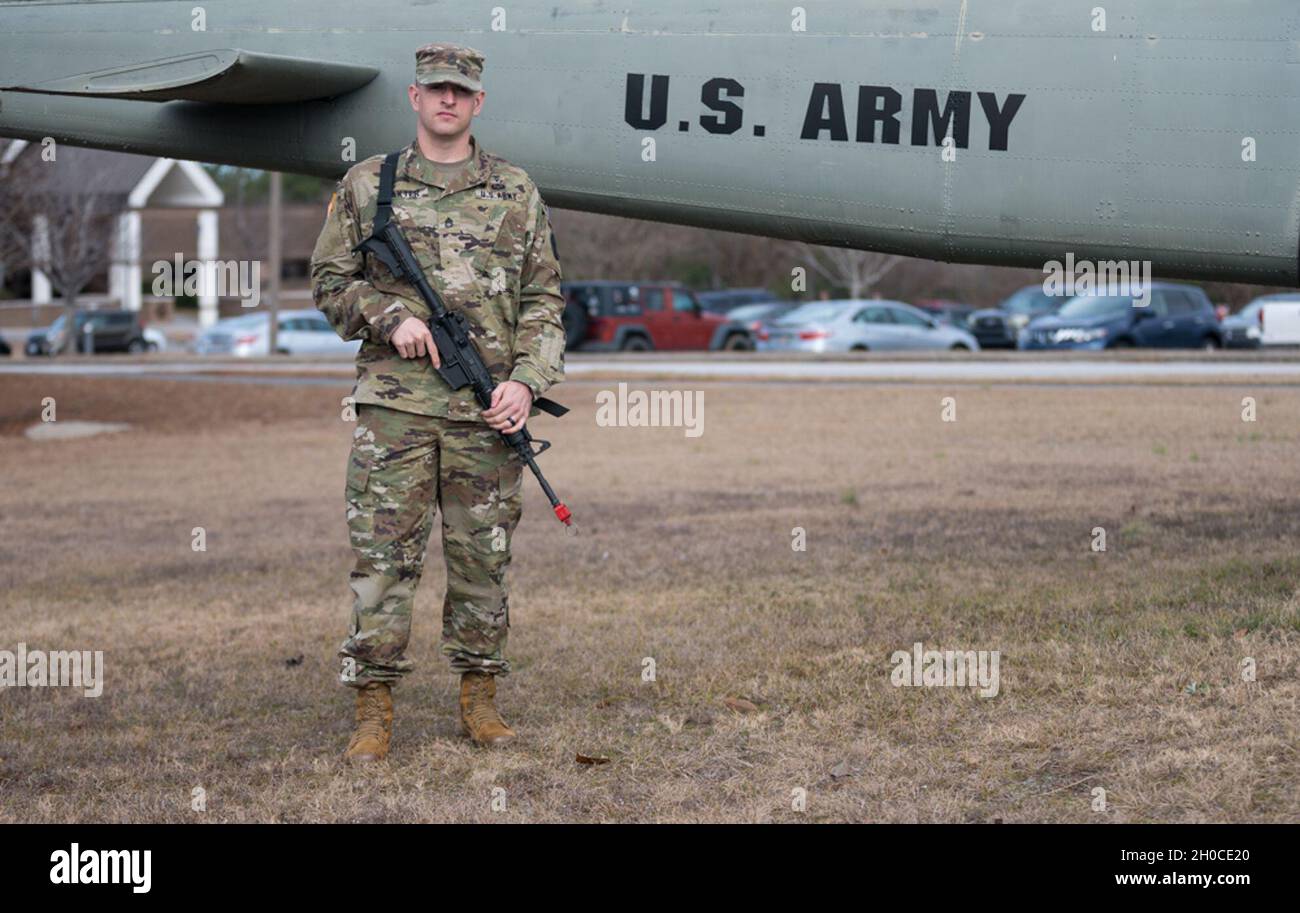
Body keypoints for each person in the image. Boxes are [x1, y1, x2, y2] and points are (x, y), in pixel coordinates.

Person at [310, 42, 565, 762]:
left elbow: (545, 303)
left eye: (461, 90)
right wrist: (390, 317)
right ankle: (372, 707)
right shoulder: (368, 186)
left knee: (483, 560)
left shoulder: (516, 191)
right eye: (435, 89)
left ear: (478, 102)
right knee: (383, 561)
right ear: (414, 99)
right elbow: (329, 284)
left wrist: (525, 382)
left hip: (486, 416)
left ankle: (480, 699)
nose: (447, 100)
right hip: (395, 408)